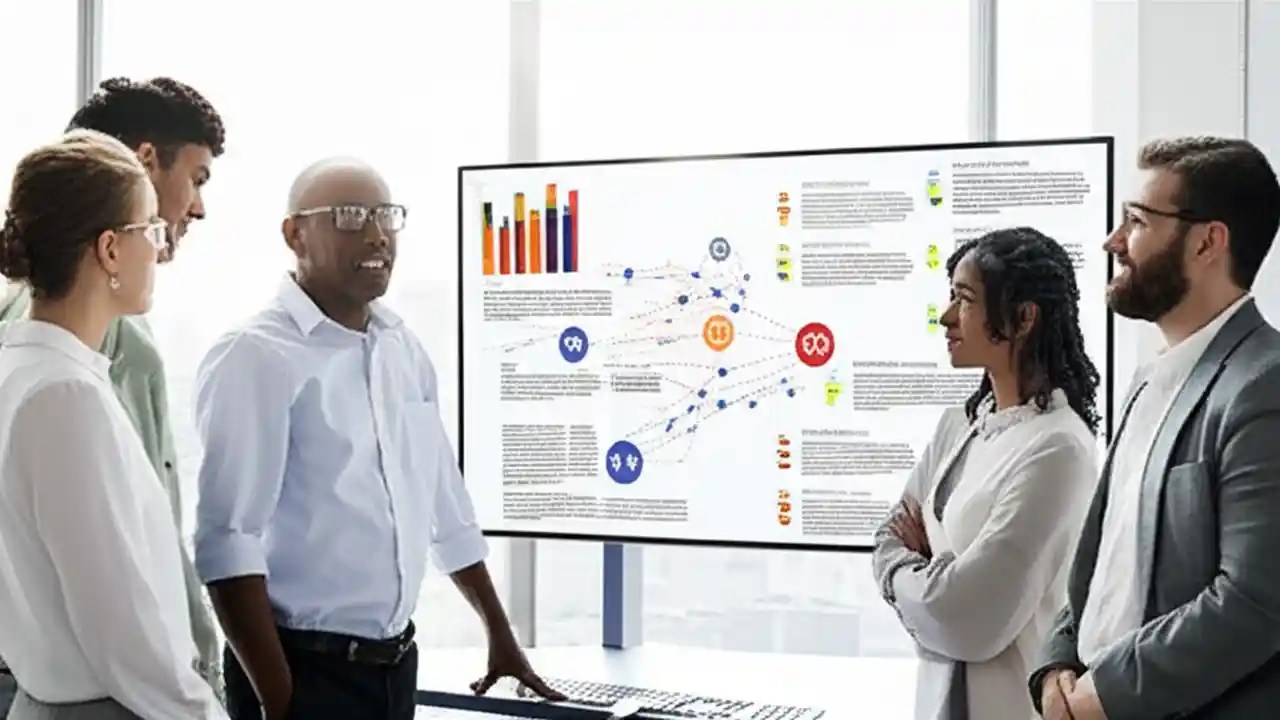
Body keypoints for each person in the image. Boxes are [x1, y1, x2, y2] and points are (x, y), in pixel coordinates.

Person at [192, 157, 566, 720]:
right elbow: (227, 542)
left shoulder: (401, 347)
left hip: (394, 670)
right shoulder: (257, 356)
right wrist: (281, 700)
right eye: (347, 216)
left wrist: (500, 634)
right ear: (295, 234)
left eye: (386, 217)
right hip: (301, 672)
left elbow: (446, 504)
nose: (375, 234)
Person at [1029, 137, 1280, 719]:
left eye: (1136, 222)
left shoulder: (1263, 386)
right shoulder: (1146, 382)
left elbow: (1256, 600)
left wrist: (1105, 695)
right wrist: (1057, 662)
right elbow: (1103, 562)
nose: (1112, 242)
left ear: (1207, 242)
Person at [0, 76, 227, 709]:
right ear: (110, 249)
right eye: (149, 231)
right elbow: (126, 633)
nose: (160, 246)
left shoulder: (22, 372)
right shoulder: (63, 396)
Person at [871, 227, 1102, 719]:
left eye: (965, 299)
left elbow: (968, 616)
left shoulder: (1059, 447)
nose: (946, 316)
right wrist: (938, 577)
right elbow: (889, 534)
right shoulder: (959, 424)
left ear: (1023, 317)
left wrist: (900, 574)